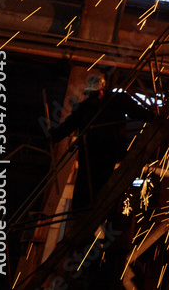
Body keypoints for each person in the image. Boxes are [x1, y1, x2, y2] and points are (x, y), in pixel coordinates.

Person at [51, 73, 155, 212]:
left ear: (103, 89)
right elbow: (70, 124)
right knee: (83, 189)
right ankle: (80, 214)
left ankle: (100, 212)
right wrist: (55, 135)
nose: (93, 97)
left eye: (95, 93)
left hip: (109, 152)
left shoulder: (117, 101)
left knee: (102, 187)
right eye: (91, 94)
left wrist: (153, 117)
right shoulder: (85, 107)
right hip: (89, 154)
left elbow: (137, 111)